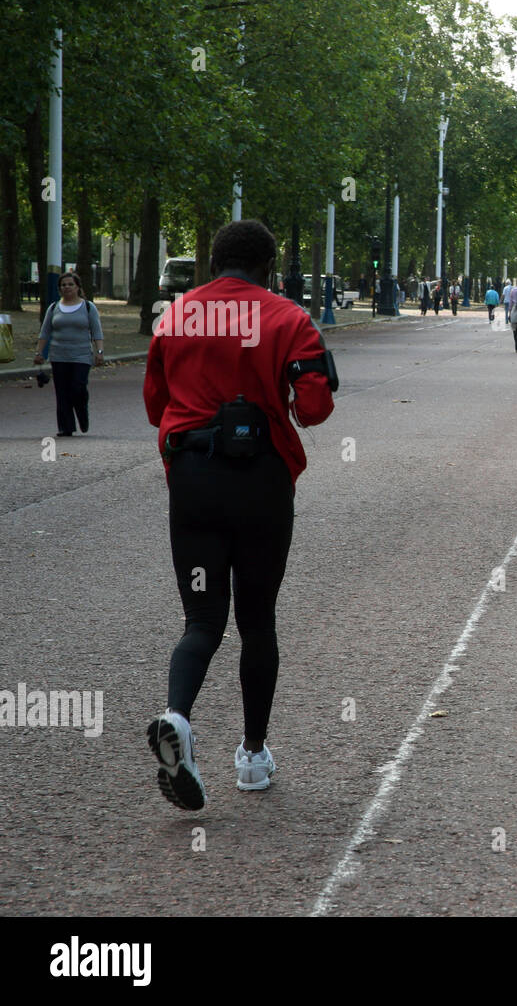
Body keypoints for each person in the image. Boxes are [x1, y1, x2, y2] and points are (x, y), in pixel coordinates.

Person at [142, 219, 335, 810]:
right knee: (257, 620)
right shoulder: (290, 319)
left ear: (213, 261)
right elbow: (316, 408)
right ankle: (252, 756)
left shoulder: (176, 315)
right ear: (268, 267)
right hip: (261, 481)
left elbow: (156, 406)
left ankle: (177, 716)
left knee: (202, 620)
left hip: (194, 479)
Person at [34, 272, 105, 437]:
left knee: (77, 388)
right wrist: (39, 353)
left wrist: (99, 352)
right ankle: (66, 427)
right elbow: (45, 332)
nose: (66, 287)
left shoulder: (88, 307)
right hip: (59, 355)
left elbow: (97, 331)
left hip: (81, 355)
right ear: (59, 288)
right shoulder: (53, 308)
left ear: (78, 287)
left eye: (70, 284)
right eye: (63, 285)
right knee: (62, 391)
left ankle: (82, 413)